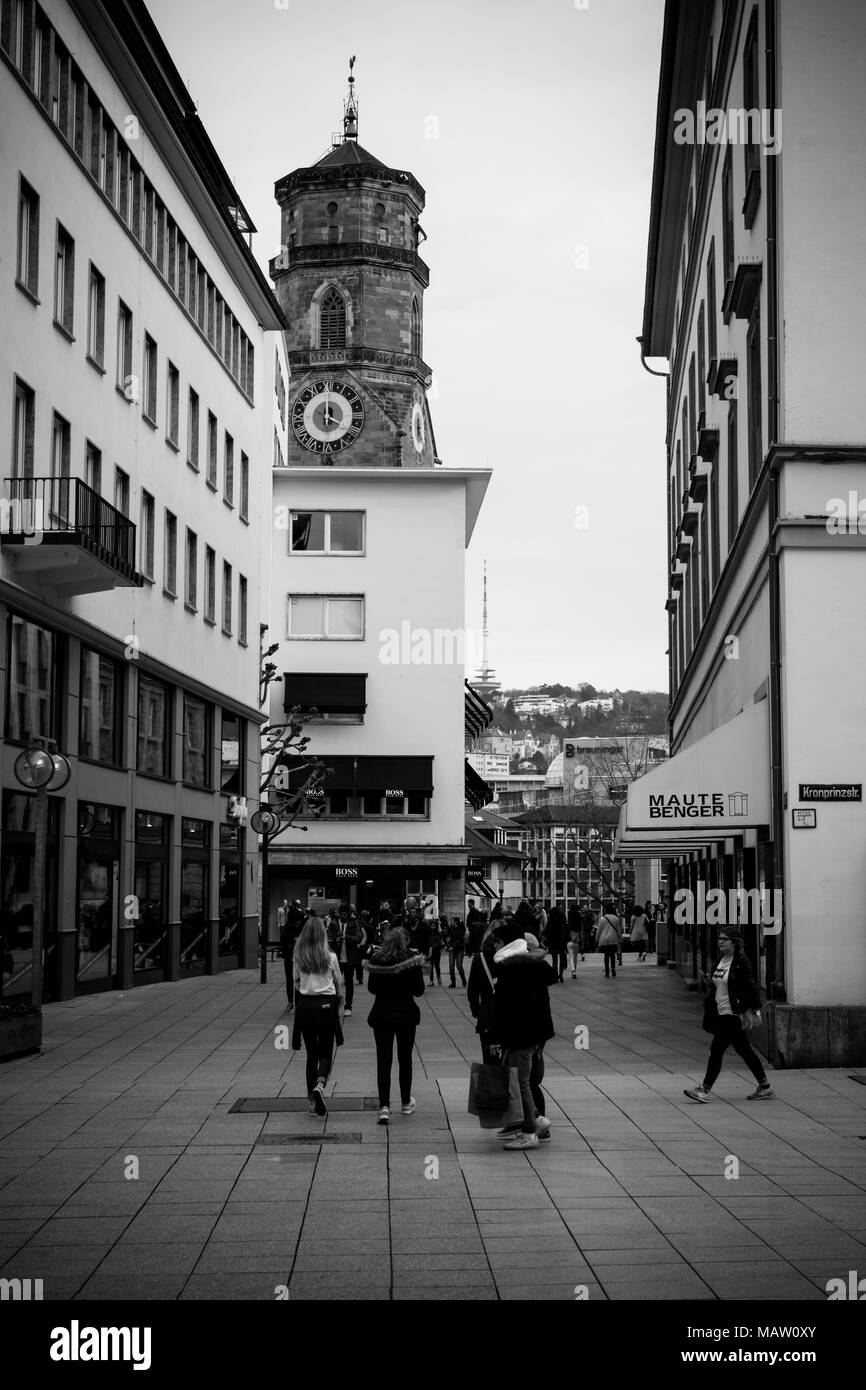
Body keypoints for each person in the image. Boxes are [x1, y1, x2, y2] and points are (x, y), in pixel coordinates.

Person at [684, 928, 775, 1103]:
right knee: (744, 1050)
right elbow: (722, 984)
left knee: (716, 1050)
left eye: (724, 939)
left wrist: (755, 1010)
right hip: (720, 1011)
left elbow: (751, 986)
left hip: (732, 1013)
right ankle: (765, 1086)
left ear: (734, 942)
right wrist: (710, 981)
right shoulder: (720, 960)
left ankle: (704, 1089)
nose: (720, 942)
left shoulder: (741, 961)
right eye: (719, 939)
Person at [491, 910, 556, 1150]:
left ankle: (531, 1129)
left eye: (497, 942)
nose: (494, 945)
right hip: (536, 1032)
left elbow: (504, 1008)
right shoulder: (533, 965)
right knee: (518, 1078)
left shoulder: (510, 970)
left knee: (522, 1083)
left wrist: (496, 1037)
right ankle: (535, 1120)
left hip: (521, 1034)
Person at [366, 926, 425, 1124]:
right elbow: (419, 991)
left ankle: (384, 1106)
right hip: (405, 1015)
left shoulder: (378, 960)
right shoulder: (412, 961)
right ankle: (406, 1102)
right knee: (405, 1058)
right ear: (406, 942)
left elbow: (372, 988)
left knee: (383, 1060)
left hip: (382, 1014)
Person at [292, 916, 343, 1116]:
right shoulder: (330, 957)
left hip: (305, 1006)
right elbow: (338, 981)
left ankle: (312, 1102)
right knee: (325, 1052)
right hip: (325, 1006)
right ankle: (320, 1085)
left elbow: (295, 982)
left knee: (311, 1055)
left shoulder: (298, 956)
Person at [467, 920, 504, 1063]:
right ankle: (508, 1085)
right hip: (507, 1012)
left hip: (487, 1012)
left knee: (489, 1059)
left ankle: (491, 1084)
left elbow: (472, 990)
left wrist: (477, 1010)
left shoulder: (480, 958)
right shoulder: (509, 957)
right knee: (507, 1061)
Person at [595, 901, 622, 978]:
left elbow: (599, 930)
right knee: (612, 955)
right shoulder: (616, 919)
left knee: (606, 956)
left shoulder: (602, 919)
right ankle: (613, 970)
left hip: (604, 939)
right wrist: (620, 938)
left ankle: (607, 971)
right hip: (613, 939)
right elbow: (619, 930)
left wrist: (596, 939)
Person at [545, 899, 568, 983]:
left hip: (553, 943)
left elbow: (546, 933)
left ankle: (555, 975)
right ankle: (561, 975)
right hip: (561, 942)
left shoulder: (550, 923)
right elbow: (566, 932)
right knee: (562, 958)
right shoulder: (562, 923)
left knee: (554, 960)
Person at [445, 916, 467, 987]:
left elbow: (460, 939)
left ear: (456, 921)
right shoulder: (451, 927)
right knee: (451, 966)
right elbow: (448, 937)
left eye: (452, 920)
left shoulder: (462, 928)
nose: (451, 922)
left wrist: (452, 946)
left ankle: (463, 980)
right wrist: (448, 945)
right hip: (452, 949)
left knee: (459, 966)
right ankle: (453, 982)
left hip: (459, 949)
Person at [567, 902, 584, 976]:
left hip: (570, 940)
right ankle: (574, 971)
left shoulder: (569, 917)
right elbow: (582, 928)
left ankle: (573, 969)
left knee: (571, 956)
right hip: (577, 940)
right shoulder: (579, 918)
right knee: (575, 957)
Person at [427, 917, 443, 985]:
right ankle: (431, 980)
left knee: (437, 966)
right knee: (430, 966)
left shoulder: (438, 934)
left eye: (434, 926)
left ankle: (439, 977)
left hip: (436, 952)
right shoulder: (428, 934)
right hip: (430, 952)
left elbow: (438, 942)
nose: (433, 927)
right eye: (431, 926)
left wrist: (432, 947)